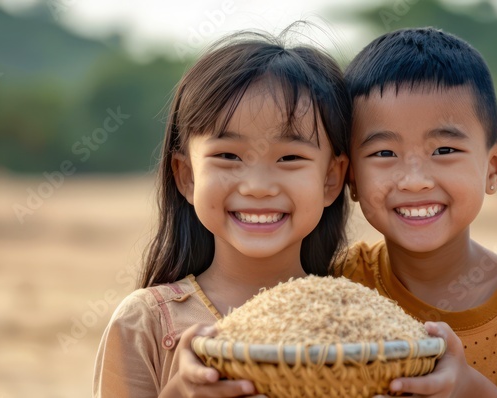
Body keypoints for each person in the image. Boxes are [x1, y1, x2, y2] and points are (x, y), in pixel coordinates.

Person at [340, 27, 497, 397]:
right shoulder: (339, 284)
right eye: (384, 153)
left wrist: (467, 388)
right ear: (350, 177)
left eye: (444, 150)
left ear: (493, 167)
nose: (415, 181)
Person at [92, 30, 351, 398]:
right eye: (228, 156)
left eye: (290, 157)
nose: (257, 186)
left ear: (330, 179)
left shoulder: (359, 321)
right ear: (186, 176)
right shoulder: (146, 323)